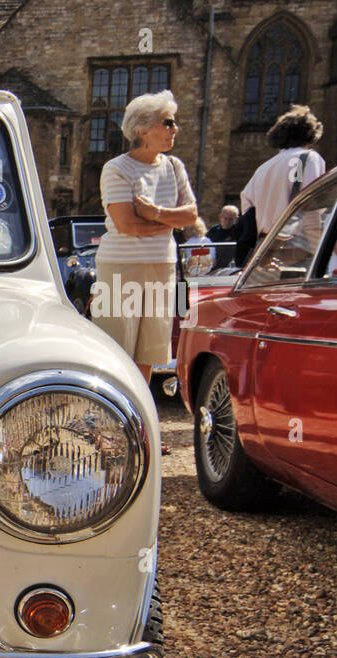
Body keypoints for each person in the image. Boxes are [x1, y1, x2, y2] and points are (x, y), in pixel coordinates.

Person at [93, 91, 196, 453]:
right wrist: (166, 220)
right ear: (142, 129)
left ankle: (136, 431)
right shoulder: (116, 168)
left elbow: (192, 216)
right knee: (115, 349)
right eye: (167, 122)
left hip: (163, 266)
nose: (175, 129)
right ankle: (107, 432)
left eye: (173, 121)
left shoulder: (174, 167)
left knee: (149, 351)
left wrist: (153, 214)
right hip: (120, 266)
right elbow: (125, 225)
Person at [240, 105, 326, 241]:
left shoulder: (263, 169)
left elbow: (247, 208)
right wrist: (319, 245)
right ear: (310, 134)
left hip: (265, 248)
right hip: (295, 244)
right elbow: (311, 203)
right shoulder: (306, 159)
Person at [206, 204, 239, 269]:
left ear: (236, 219)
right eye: (225, 218)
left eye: (231, 219)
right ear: (220, 217)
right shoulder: (214, 230)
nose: (227, 222)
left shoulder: (239, 232)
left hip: (231, 267)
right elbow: (206, 246)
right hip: (213, 265)